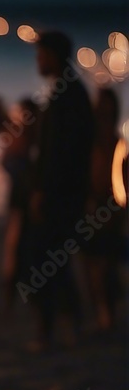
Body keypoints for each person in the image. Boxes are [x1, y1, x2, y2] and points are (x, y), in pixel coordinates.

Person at [24, 30, 94, 348]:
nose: (37, 60)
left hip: (60, 196)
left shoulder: (69, 94)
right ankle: (63, 328)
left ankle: (54, 330)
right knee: (54, 261)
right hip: (63, 194)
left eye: (41, 54)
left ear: (53, 54)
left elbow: (64, 152)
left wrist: (44, 190)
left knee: (48, 260)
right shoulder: (67, 91)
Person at [83, 88, 124, 331]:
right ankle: (99, 309)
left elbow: (122, 179)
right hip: (89, 205)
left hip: (110, 208)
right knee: (90, 262)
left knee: (106, 264)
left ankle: (106, 311)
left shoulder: (118, 142)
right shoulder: (89, 141)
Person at [0, 98, 39, 311]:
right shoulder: (17, 138)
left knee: (24, 250)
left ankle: (15, 298)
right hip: (18, 200)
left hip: (30, 201)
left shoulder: (39, 142)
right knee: (14, 249)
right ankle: (10, 299)